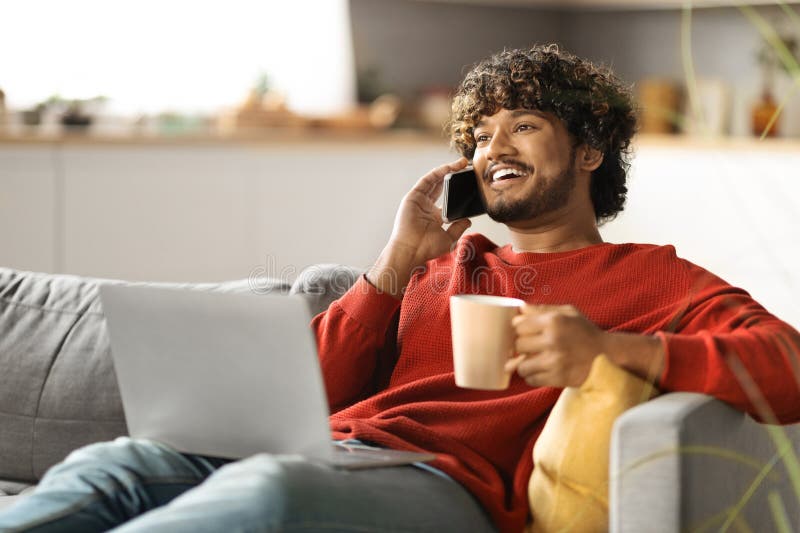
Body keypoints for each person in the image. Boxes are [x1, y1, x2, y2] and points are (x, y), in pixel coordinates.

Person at [1, 44, 799, 533]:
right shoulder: (444, 263)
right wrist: (398, 257)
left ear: (589, 150)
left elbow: (785, 362)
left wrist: (609, 351)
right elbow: (312, 396)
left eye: (521, 125)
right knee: (123, 461)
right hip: (334, 453)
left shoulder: (650, 277)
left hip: (449, 491)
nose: (493, 147)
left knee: (271, 488)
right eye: (480, 134)